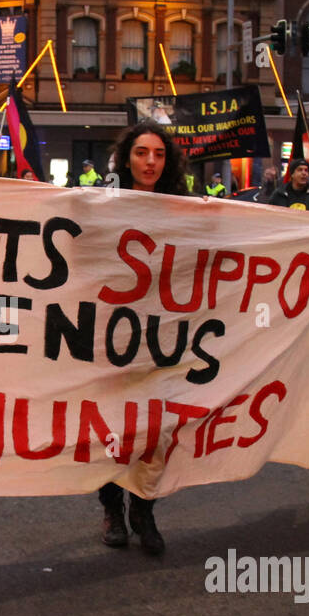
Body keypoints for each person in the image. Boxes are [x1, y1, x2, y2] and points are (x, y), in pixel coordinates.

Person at [96, 121, 186, 556]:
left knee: (157, 427)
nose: (150, 162)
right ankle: (113, 508)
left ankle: (144, 509)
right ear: (126, 157)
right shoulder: (104, 203)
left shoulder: (182, 208)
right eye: (141, 152)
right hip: (107, 335)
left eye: (159, 154)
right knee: (113, 425)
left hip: (163, 335)